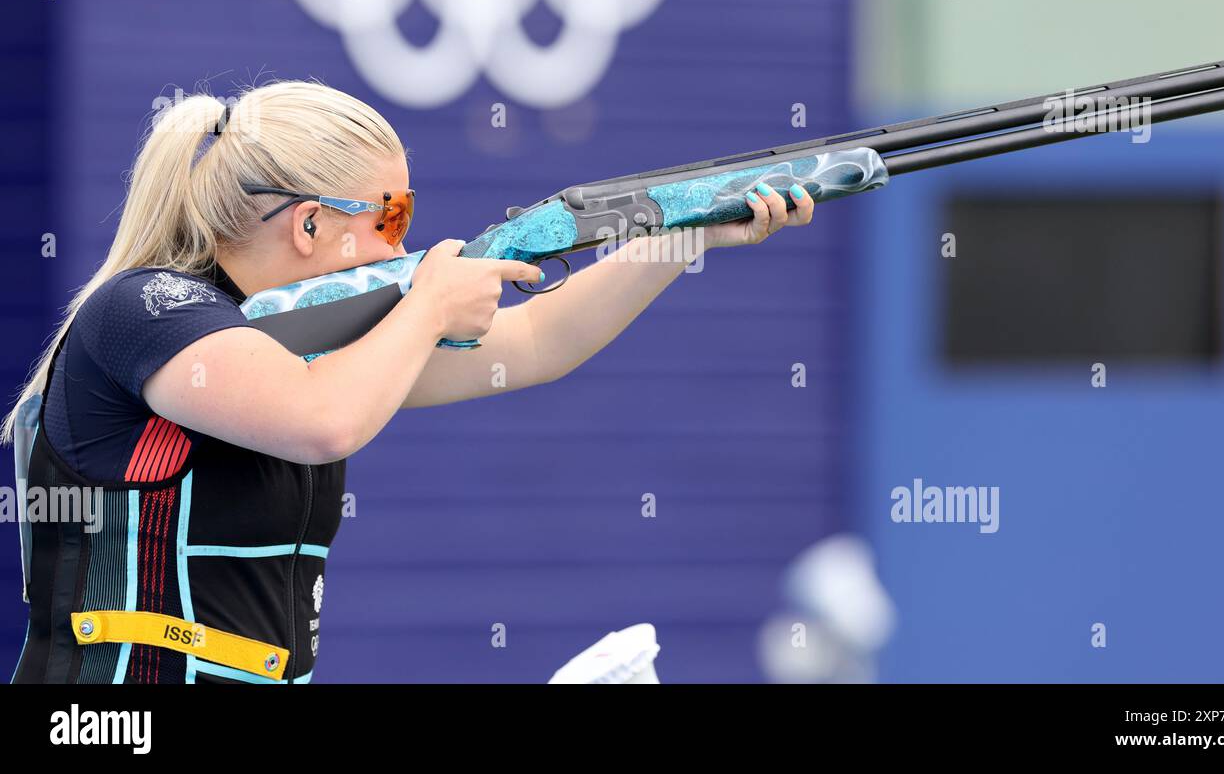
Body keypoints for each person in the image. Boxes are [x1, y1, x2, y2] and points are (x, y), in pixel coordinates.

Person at [4, 82, 814, 683]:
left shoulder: (313, 342)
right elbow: (321, 421)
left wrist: (684, 233)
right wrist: (426, 304)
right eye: (389, 218)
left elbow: (536, 340)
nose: (405, 243)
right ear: (310, 222)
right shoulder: (144, 308)